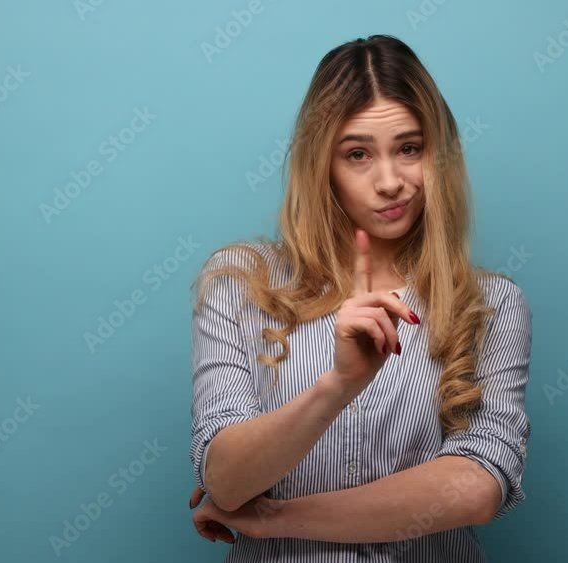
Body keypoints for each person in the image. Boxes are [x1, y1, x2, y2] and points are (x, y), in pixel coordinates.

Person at [187, 34, 532, 562]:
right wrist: (339, 384)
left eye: (409, 148)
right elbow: (226, 480)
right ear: (321, 164)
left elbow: (478, 485)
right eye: (357, 154)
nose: (390, 182)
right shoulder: (241, 283)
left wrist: (275, 517)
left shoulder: (491, 304)